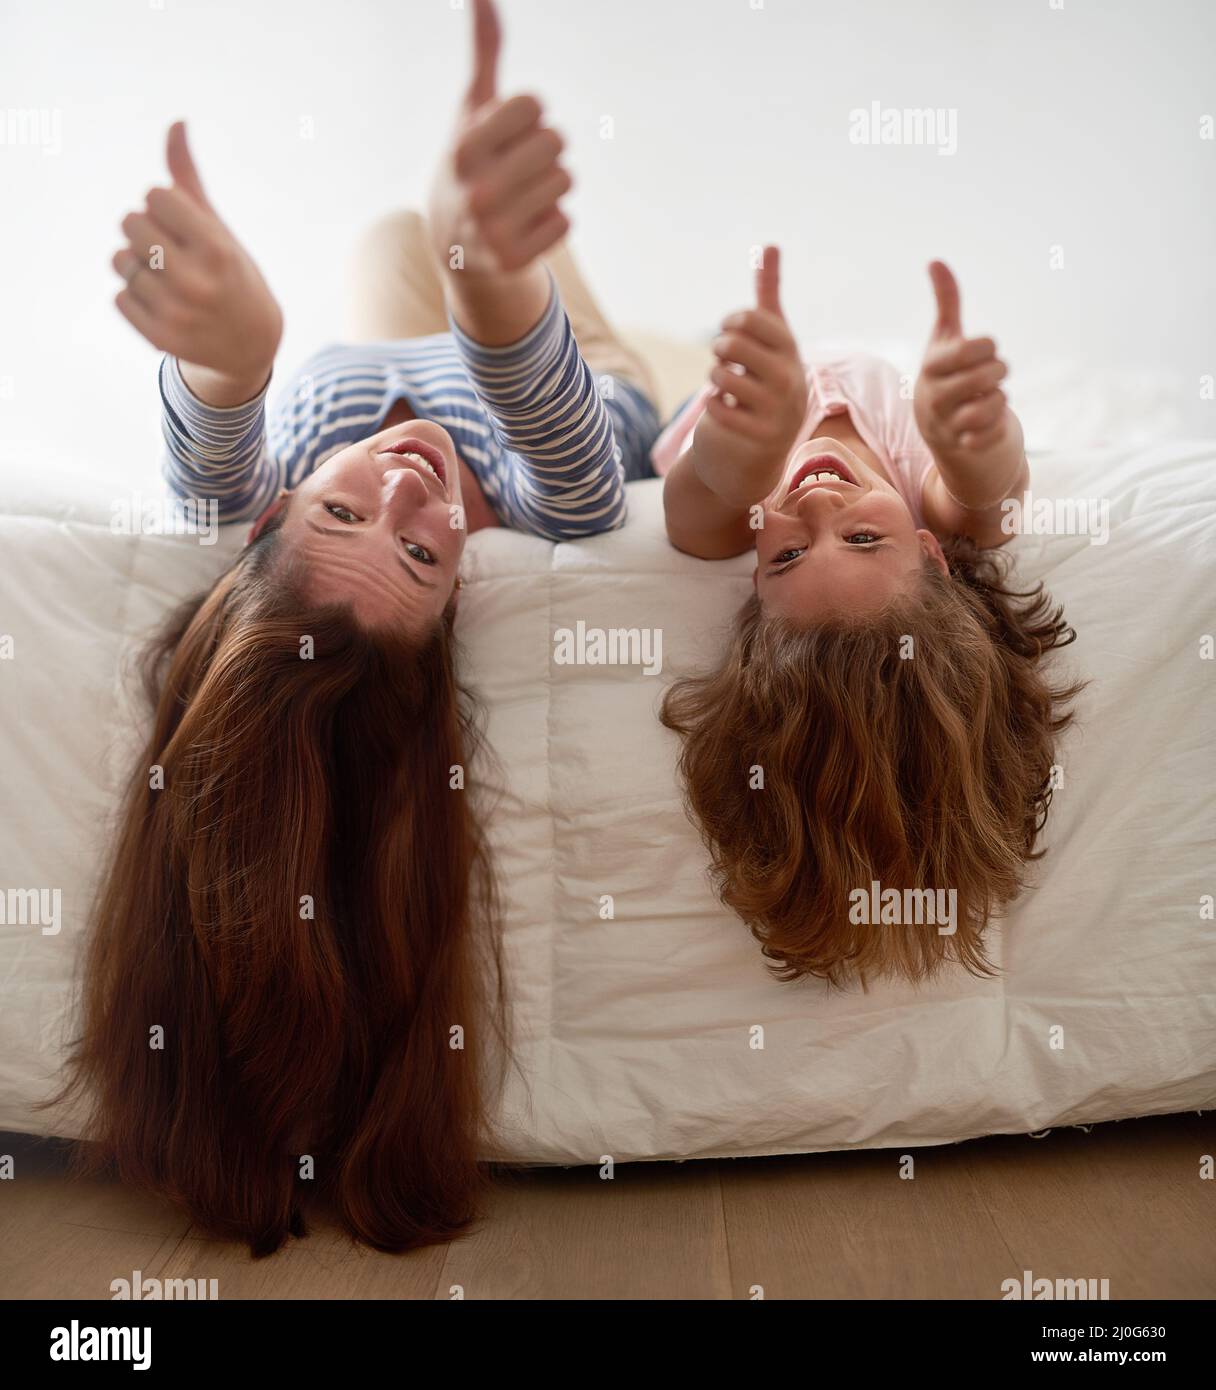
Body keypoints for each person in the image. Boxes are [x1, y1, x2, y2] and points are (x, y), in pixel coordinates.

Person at [47, 0, 657, 1258]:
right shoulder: (534, 495)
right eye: (426, 553)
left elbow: (208, 482)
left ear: (280, 511)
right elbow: (571, 461)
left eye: (340, 512)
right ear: (459, 594)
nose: (411, 493)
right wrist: (485, 283)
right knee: (454, 253)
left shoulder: (276, 501)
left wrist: (231, 363)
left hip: (380, 350)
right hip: (587, 370)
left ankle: (448, 253)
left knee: (388, 237)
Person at [657, 248, 1081, 987]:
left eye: (787, 556)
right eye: (861, 539)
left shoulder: (735, 516)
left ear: (754, 588)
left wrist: (742, 456)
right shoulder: (928, 500)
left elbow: (701, 503)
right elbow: (986, 502)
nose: (817, 506)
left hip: (700, 383)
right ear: (931, 556)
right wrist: (976, 442)